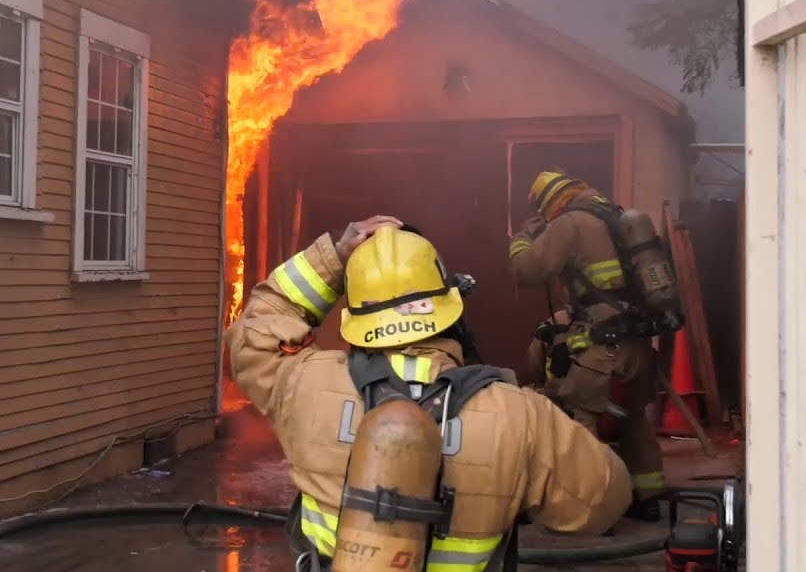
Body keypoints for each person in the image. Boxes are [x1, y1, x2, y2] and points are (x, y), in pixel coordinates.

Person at [226, 215, 631, 571]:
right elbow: (602, 504)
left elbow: (255, 329)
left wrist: (334, 258)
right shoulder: (520, 415)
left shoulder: (305, 384)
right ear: (450, 306)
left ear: (355, 316)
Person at [507, 172, 667, 522]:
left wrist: (523, 237)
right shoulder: (616, 218)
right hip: (638, 344)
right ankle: (648, 496)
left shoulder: (570, 223)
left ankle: (596, 506)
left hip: (604, 348)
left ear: (548, 203)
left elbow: (529, 269)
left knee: (581, 420)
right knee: (633, 419)